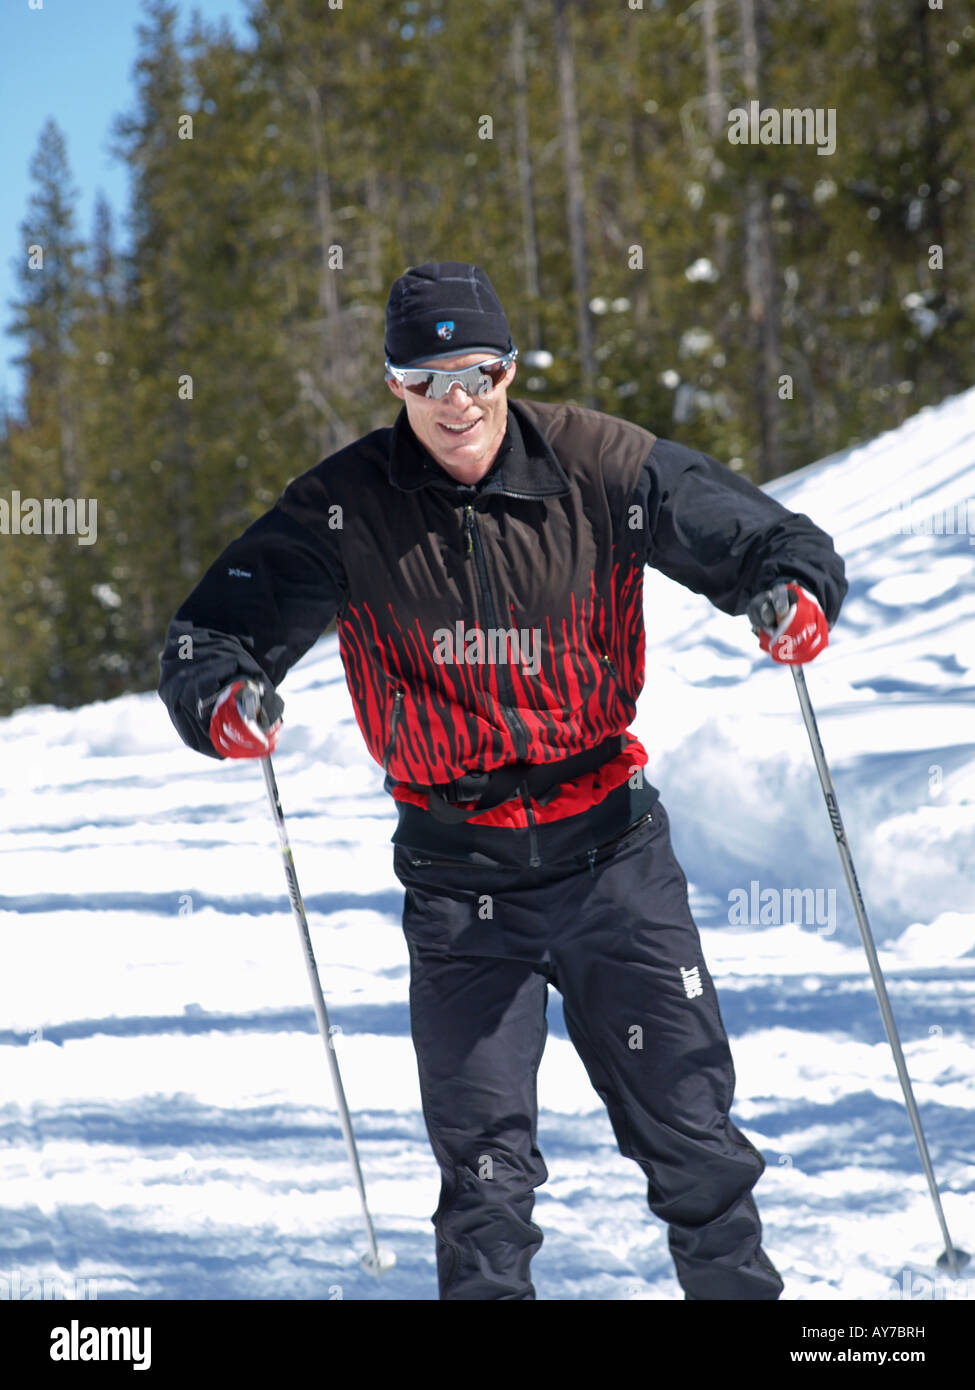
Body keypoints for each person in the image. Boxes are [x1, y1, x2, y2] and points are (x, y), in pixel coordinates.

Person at [159, 260, 847, 1300]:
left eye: (476, 370)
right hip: (459, 884)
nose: (456, 399)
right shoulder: (344, 508)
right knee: (485, 1182)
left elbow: (763, 536)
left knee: (696, 1138)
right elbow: (215, 629)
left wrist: (788, 588)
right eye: (425, 377)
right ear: (393, 384)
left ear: (510, 367)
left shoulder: (604, 465)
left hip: (615, 862)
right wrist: (220, 693)